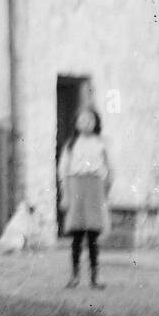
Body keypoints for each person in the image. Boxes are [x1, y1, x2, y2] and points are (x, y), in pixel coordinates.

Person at [58, 105, 112, 290]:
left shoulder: (101, 143)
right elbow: (63, 171)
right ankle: (74, 276)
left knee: (93, 236)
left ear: (96, 122)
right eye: (82, 120)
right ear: (76, 123)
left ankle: (95, 277)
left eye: (90, 120)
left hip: (94, 188)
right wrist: (65, 195)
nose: (86, 123)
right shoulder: (71, 144)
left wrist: (104, 193)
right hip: (76, 188)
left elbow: (109, 170)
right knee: (77, 236)